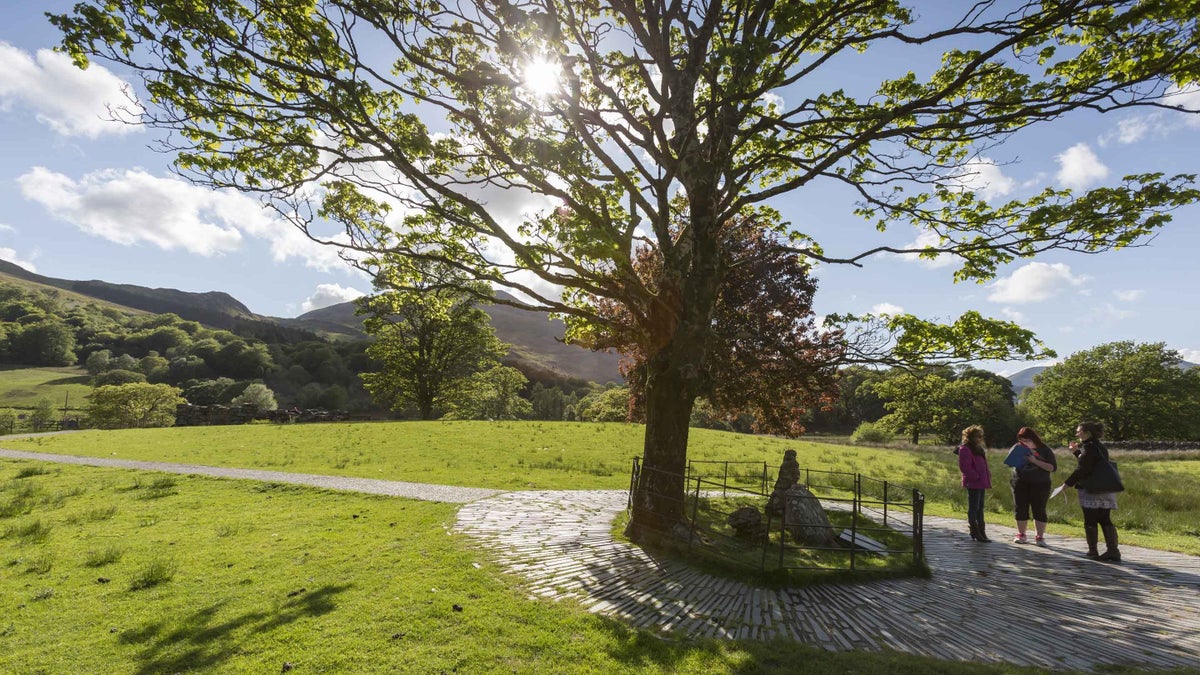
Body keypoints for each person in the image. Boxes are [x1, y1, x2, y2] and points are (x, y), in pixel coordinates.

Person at [1063, 421, 1121, 562]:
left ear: (1087, 433)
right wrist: (1076, 452)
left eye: (1079, 431)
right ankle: (1113, 550)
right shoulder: (1098, 446)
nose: (1077, 433)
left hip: (1091, 489)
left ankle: (1093, 550)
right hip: (1105, 487)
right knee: (1105, 518)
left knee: (1090, 519)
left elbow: (1083, 469)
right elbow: (1089, 463)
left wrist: (1067, 483)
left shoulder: (1089, 447)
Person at [1008, 427, 1057, 546]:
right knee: (1020, 508)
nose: (1024, 442)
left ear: (1033, 438)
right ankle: (1021, 534)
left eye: (1026, 439)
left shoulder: (1045, 450)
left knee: (1039, 509)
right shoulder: (1017, 447)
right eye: (1021, 440)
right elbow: (1011, 462)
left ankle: (1039, 537)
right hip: (1020, 482)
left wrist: (1034, 460)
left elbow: (1052, 468)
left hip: (1040, 484)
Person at [956, 425, 992, 542]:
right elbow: (965, 467)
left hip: (981, 482)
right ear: (971, 437)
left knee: (980, 508)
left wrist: (986, 475)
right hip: (974, 482)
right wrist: (975, 476)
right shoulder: (965, 449)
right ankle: (975, 531)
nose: (981, 439)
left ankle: (982, 531)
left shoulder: (978, 448)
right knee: (974, 508)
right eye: (978, 436)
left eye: (982, 436)